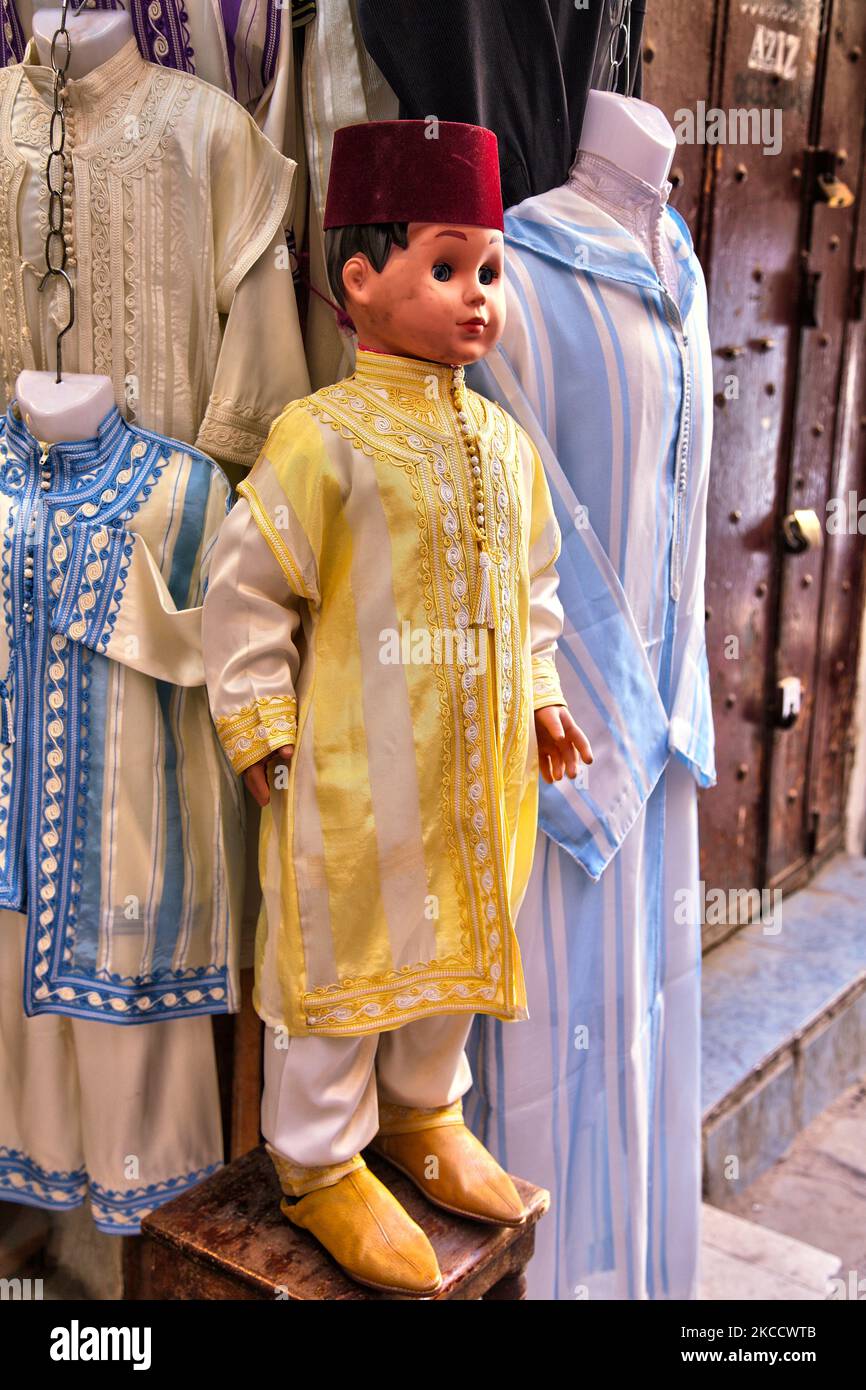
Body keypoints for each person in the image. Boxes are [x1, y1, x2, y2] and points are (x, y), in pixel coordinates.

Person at [202, 119, 591, 1297]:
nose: (475, 298)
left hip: (476, 779)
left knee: (459, 955)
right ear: (358, 280)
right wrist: (261, 729)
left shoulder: (506, 448)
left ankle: (424, 1114)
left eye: (488, 272)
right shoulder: (320, 441)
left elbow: (530, 599)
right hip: (354, 779)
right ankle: (318, 1158)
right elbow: (244, 592)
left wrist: (539, 695)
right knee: (344, 954)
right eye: (443, 267)